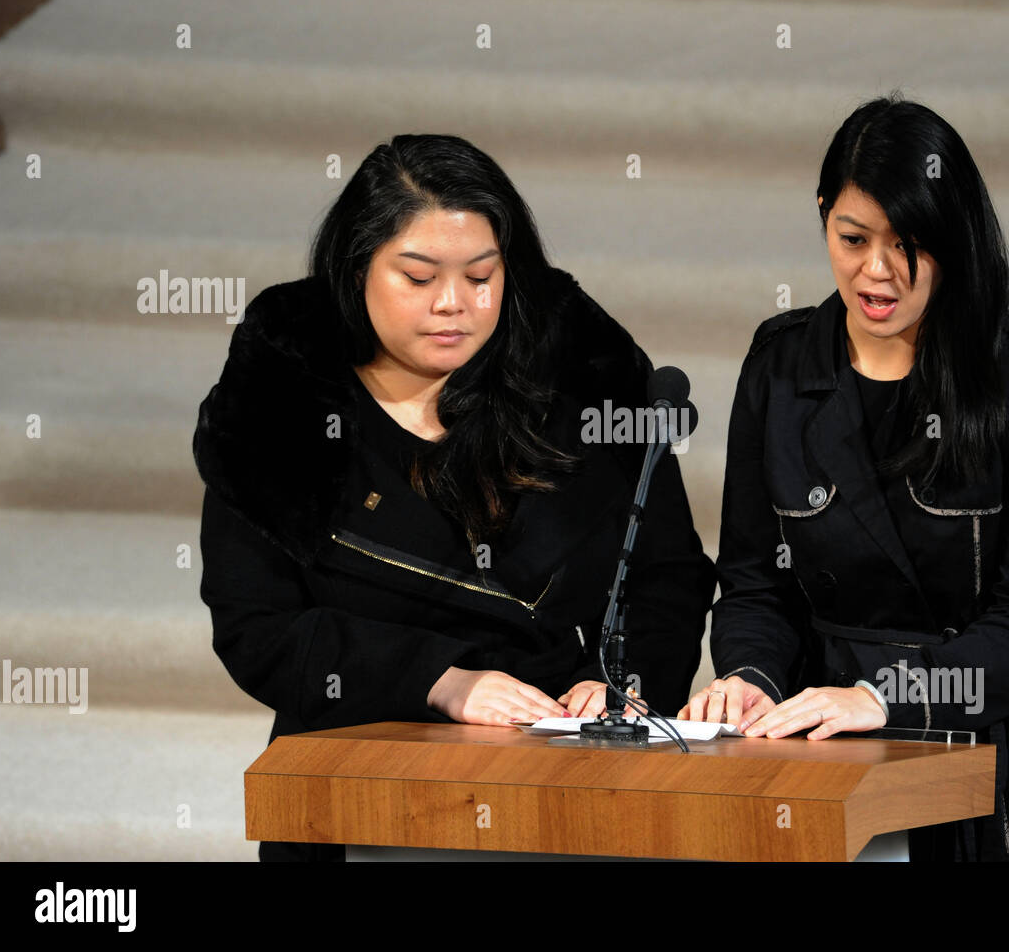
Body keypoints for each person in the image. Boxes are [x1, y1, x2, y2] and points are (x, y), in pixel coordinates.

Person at [194, 134, 715, 861]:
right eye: (417, 277)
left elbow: (668, 572)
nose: (454, 305)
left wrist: (624, 683)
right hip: (359, 788)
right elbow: (255, 624)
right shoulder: (279, 397)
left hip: (572, 783)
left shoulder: (580, 374)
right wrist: (437, 678)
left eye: (480, 276)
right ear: (356, 270)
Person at [681, 95, 1009, 861]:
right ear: (822, 216)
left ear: (955, 239)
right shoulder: (779, 366)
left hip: (999, 737)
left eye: (909, 243)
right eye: (852, 237)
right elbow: (754, 583)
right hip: (828, 742)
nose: (878, 271)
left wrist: (883, 694)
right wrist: (751, 675)